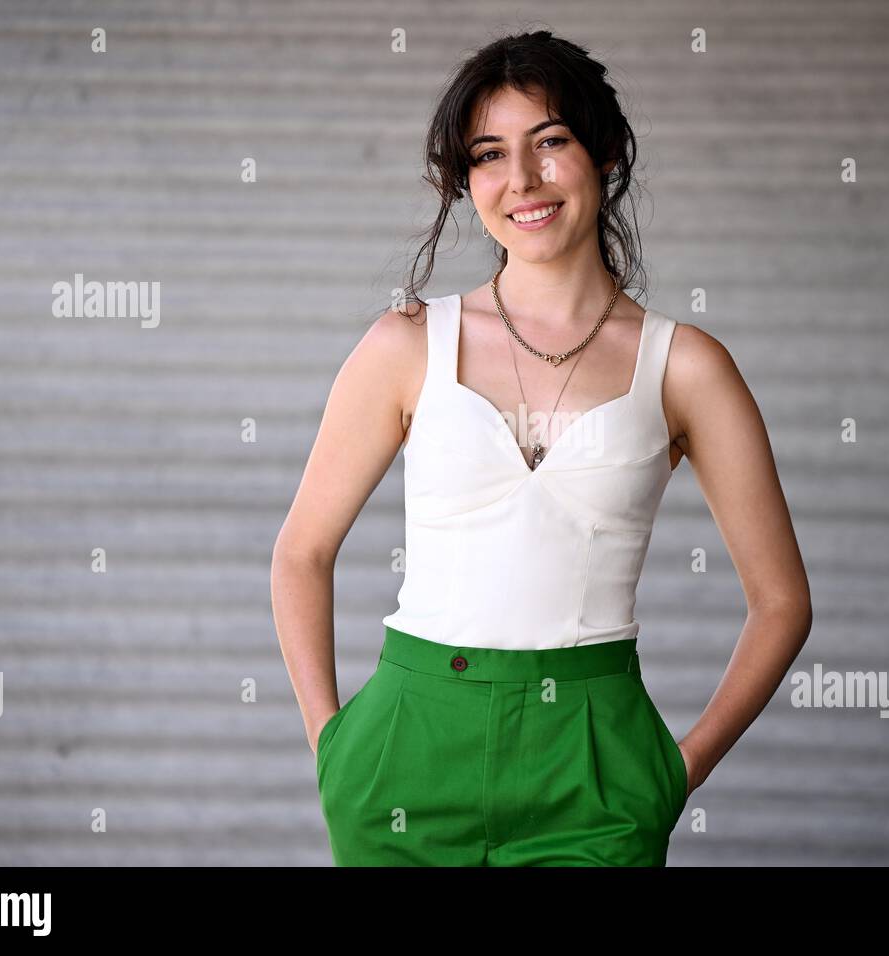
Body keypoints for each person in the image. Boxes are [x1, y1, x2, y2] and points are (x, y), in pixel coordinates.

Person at [271, 30, 811, 866]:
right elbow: (302, 551)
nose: (521, 180)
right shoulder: (407, 343)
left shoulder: (687, 366)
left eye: (550, 142)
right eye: (489, 154)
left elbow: (781, 601)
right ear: (466, 182)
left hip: (591, 761)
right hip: (408, 747)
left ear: (608, 154)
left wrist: (674, 772)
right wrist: (334, 751)